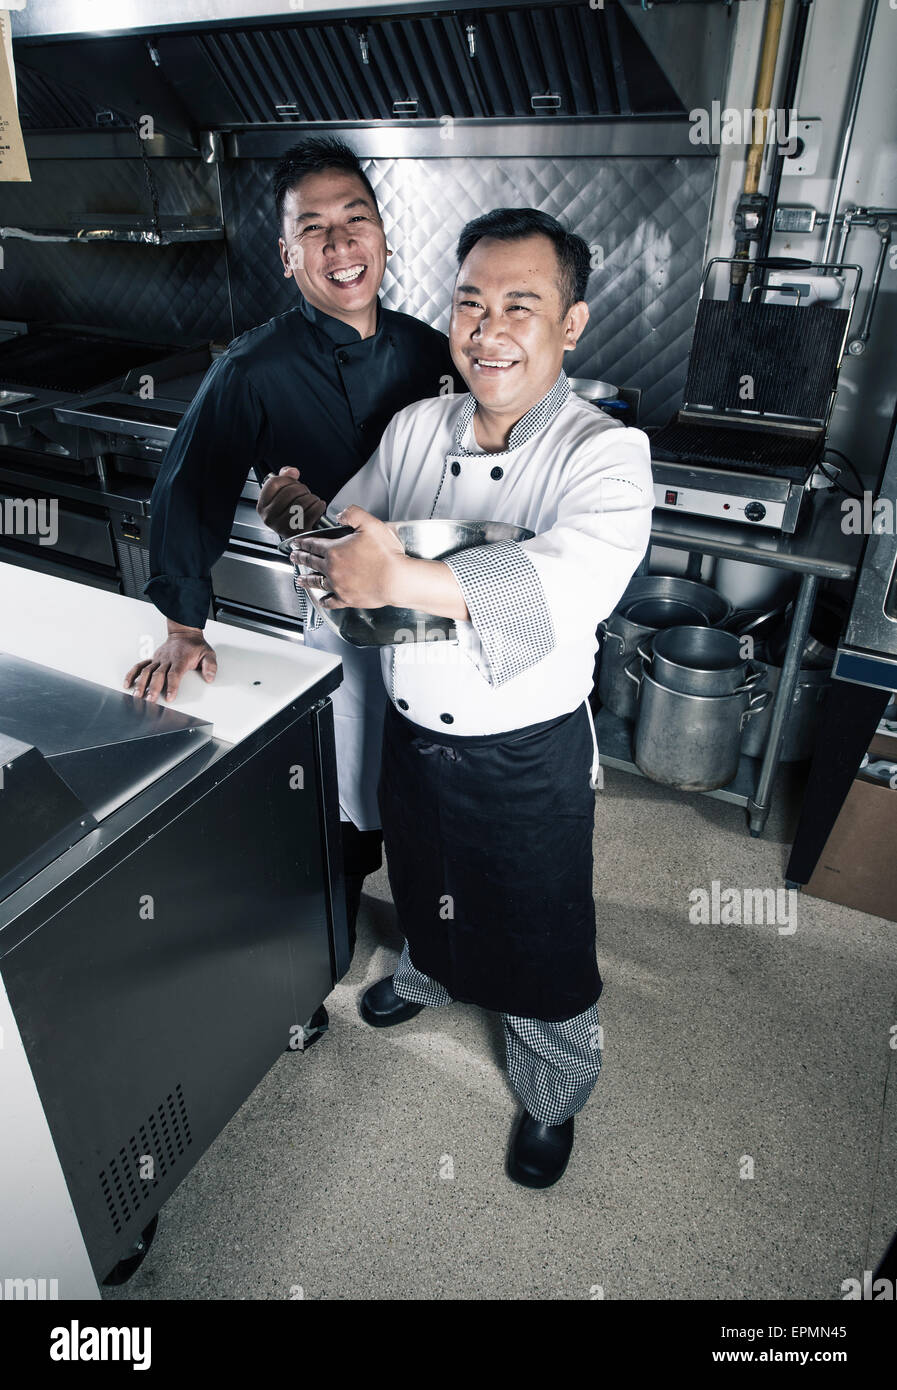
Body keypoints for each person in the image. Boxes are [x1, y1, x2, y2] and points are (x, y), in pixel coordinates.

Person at [289, 207, 654, 1188]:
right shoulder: (417, 427)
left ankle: (552, 1092)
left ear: (570, 326)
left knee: (542, 934)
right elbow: (346, 524)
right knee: (419, 874)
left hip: (520, 749)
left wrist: (393, 576)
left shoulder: (605, 453)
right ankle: (425, 973)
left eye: (520, 307)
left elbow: (562, 581)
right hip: (414, 731)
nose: (487, 330)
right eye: (470, 303)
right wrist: (311, 531)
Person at [125, 137, 458, 951]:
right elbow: (190, 484)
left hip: (435, 614)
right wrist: (183, 624)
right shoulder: (252, 366)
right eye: (313, 230)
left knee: (433, 801)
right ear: (286, 255)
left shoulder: (430, 350)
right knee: (342, 801)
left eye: (356, 220)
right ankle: (319, 952)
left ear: (383, 235)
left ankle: (431, 949)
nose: (340, 245)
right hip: (338, 624)